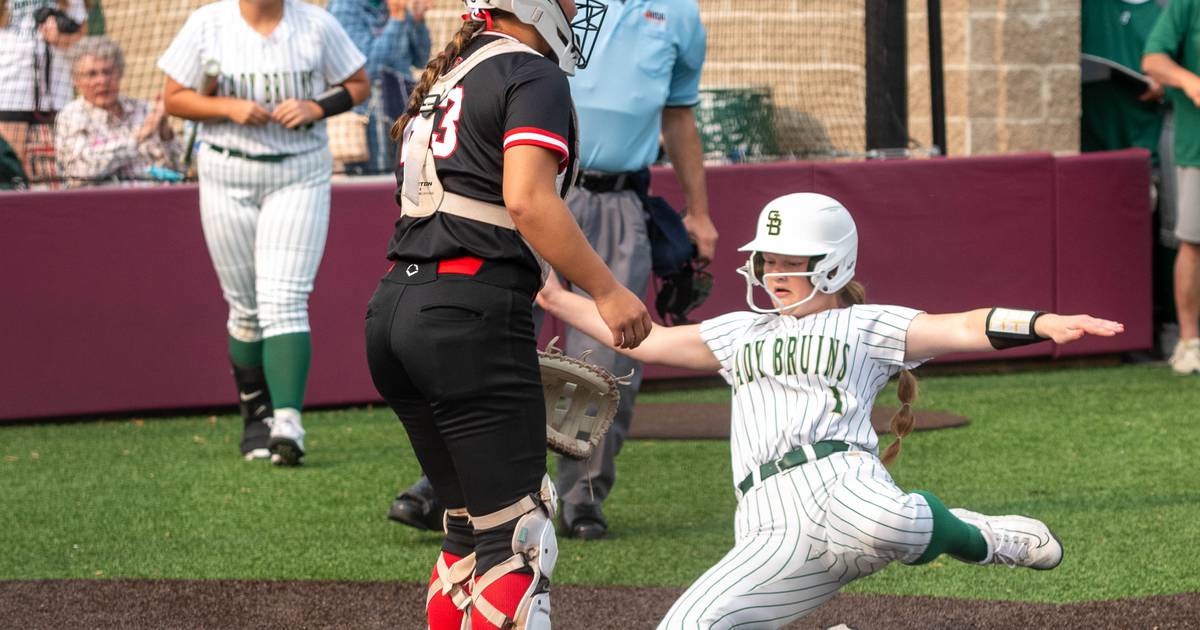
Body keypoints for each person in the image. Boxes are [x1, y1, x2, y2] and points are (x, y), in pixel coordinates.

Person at [536, 193, 1125, 629]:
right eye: (766, 260)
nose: (773, 272)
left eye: (789, 259)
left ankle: (987, 537)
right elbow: (651, 340)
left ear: (832, 261)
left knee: (886, 521)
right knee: (686, 628)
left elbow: (966, 326)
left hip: (841, 481)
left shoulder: (865, 324)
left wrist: (1044, 323)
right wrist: (561, 298)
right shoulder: (741, 331)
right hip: (768, 523)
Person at [390, 0, 720, 542]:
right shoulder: (535, 38)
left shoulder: (677, 14)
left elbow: (678, 115)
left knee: (609, 352)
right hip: (522, 190)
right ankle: (448, 485)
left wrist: (699, 210)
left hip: (613, 195)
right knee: (491, 340)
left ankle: (582, 497)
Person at [363, 1, 647, 627]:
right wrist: (607, 291)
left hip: (394, 310)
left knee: (469, 533)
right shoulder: (531, 72)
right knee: (516, 537)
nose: (578, 7)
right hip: (467, 309)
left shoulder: (453, 67)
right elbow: (526, 200)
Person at [158, 0, 369, 464]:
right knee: (246, 307)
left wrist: (317, 105)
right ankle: (257, 418)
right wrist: (227, 107)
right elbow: (174, 98)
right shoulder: (208, 23)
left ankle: (288, 423)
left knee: (285, 297)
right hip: (226, 171)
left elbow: (358, 84)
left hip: (298, 171)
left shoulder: (315, 24)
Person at [1144, 1, 1200, 374]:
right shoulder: (1187, 4)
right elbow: (1153, 60)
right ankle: (1189, 342)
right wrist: (1189, 80)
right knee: (1193, 241)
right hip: (1197, 147)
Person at [54, 36, 181, 186]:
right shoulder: (71, 116)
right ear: (75, 80)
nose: (102, 81)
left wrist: (165, 133)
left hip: (157, 199)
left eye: (108, 72)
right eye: (91, 74)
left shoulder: (144, 110)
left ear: (120, 74)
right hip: (102, 204)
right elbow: (80, 172)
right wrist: (138, 137)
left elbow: (181, 168)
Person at [327, 0, 432, 174]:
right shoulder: (344, 8)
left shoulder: (392, 5)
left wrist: (417, 20)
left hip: (403, 111)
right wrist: (397, 19)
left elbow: (421, 59)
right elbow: (367, 69)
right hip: (368, 118)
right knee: (376, 185)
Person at [0, 0, 86, 180]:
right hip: (9, 90)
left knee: (56, 172)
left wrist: (59, 35)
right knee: (11, 170)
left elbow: (80, 39)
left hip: (57, 93)